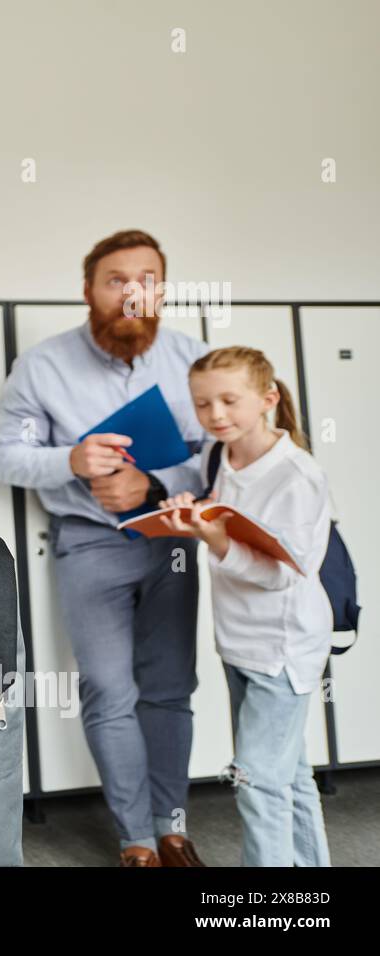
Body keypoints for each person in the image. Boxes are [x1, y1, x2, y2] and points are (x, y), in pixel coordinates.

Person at [0, 229, 210, 866]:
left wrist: (158, 482)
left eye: (147, 279)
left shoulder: (194, 357)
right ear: (88, 289)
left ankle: (173, 830)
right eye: (117, 279)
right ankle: (136, 841)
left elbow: (218, 457)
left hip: (171, 543)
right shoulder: (44, 364)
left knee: (170, 688)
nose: (132, 292)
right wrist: (73, 460)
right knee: (109, 690)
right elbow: (6, 457)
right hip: (89, 544)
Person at [160, 346, 332, 867]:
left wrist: (214, 541)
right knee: (288, 775)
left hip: (283, 649)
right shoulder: (221, 457)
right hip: (238, 642)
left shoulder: (297, 477)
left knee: (256, 782)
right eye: (203, 404)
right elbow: (225, 525)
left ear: (267, 399)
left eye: (229, 401)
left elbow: (283, 574)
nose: (215, 415)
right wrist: (191, 519)